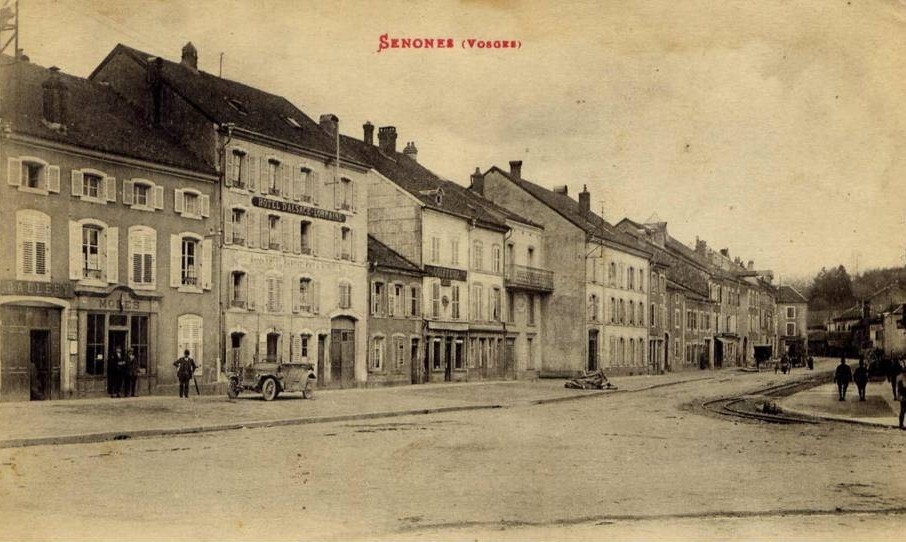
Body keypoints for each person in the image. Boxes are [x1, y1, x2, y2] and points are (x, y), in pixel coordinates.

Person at [896, 364, 906, 430]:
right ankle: (901, 424)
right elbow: (900, 388)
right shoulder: (901, 378)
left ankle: (901, 424)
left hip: (903, 395)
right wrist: (900, 396)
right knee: (903, 410)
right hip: (903, 396)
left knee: (903, 410)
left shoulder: (900, 377)